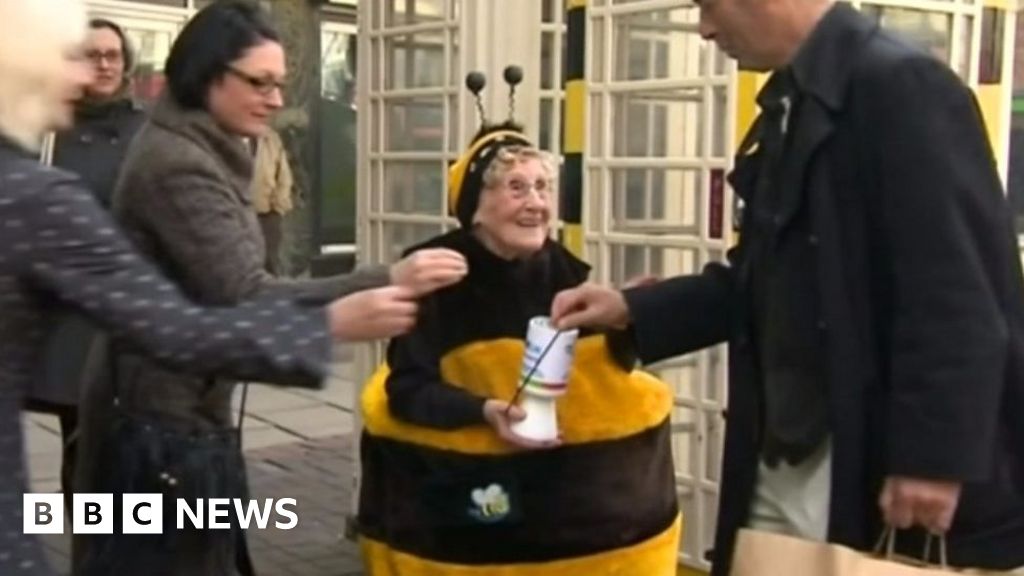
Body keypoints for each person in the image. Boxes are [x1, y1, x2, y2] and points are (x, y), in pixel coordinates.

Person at [551, 1, 1024, 574]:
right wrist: (632, 307)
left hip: (867, 457)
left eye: (709, 4)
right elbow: (763, 278)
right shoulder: (790, 101)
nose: (704, 28)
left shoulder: (903, 88)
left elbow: (957, 293)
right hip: (790, 448)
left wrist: (933, 458)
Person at [0, 0, 439, 574]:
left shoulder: (193, 147)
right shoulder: (146, 169)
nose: (89, 74)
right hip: (155, 430)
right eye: (71, 56)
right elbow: (199, 318)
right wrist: (339, 316)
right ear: (208, 75)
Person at [357, 78, 681, 576]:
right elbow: (407, 390)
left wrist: (628, 317)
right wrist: (484, 411)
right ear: (475, 208)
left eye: (542, 187)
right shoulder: (436, 273)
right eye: (516, 188)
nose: (536, 202)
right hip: (470, 520)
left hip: (562, 519)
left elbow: (601, 379)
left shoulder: (566, 271)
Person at [26, 17, 146, 514]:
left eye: (112, 55)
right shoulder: (42, 131)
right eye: (90, 54)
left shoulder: (146, 130)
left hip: (128, 309)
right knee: (82, 438)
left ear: (125, 64)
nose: (102, 64)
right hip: (62, 314)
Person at [250, 126, 293, 274]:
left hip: (268, 213)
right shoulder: (224, 136)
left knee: (270, 263)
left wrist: (278, 207)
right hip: (236, 213)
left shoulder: (271, 138)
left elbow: (284, 176)